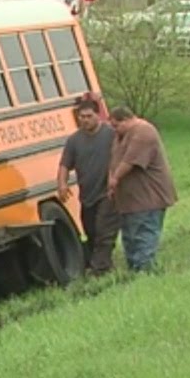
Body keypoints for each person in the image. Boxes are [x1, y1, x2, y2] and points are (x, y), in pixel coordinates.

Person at [107, 106, 178, 272]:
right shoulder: (121, 136)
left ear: (126, 120)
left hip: (149, 198)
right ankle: (135, 272)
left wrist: (115, 179)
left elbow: (130, 161)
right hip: (130, 202)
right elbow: (114, 160)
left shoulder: (144, 131)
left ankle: (146, 272)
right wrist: (111, 183)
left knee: (144, 237)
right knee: (130, 239)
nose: (114, 130)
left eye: (116, 125)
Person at [56, 98, 119, 276]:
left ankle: (100, 269)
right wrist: (62, 184)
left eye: (89, 116)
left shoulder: (111, 134)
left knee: (104, 230)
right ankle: (102, 263)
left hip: (107, 192)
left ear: (98, 115)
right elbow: (64, 165)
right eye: (81, 117)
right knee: (90, 231)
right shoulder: (74, 140)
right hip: (87, 195)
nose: (85, 120)